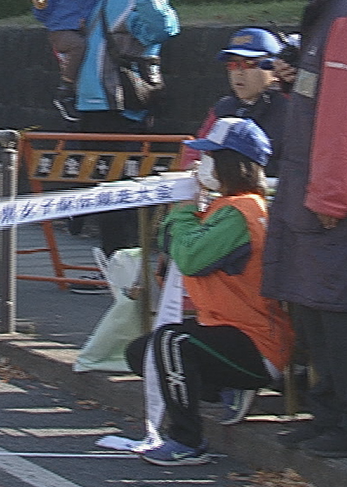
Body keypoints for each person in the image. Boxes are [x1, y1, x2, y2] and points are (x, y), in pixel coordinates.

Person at [126, 117, 293, 466]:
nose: (200, 165)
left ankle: (187, 441)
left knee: (171, 343)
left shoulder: (241, 212)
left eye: (210, 157)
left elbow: (190, 256)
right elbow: (177, 249)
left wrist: (184, 209)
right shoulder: (227, 207)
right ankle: (226, 389)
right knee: (141, 353)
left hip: (257, 341)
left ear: (233, 164)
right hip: (228, 329)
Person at [262, 0, 347, 458]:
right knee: (312, 303)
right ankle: (327, 411)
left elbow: (341, 116)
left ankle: (340, 423)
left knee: (332, 306)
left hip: (326, 191)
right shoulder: (327, 10)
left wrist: (330, 194)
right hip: (311, 182)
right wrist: (295, 79)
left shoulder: (340, 14)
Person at [75, 0, 180, 254]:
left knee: (122, 193)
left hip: (123, 106)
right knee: (98, 190)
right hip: (90, 105)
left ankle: (126, 272)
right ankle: (110, 265)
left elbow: (162, 29)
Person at [184, 27, 290, 176]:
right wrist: (194, 167)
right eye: (232, 65)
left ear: (274, 68)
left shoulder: (293, 107)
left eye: (250, 64)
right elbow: (196, 152)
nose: (239, 72)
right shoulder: (224, 107)